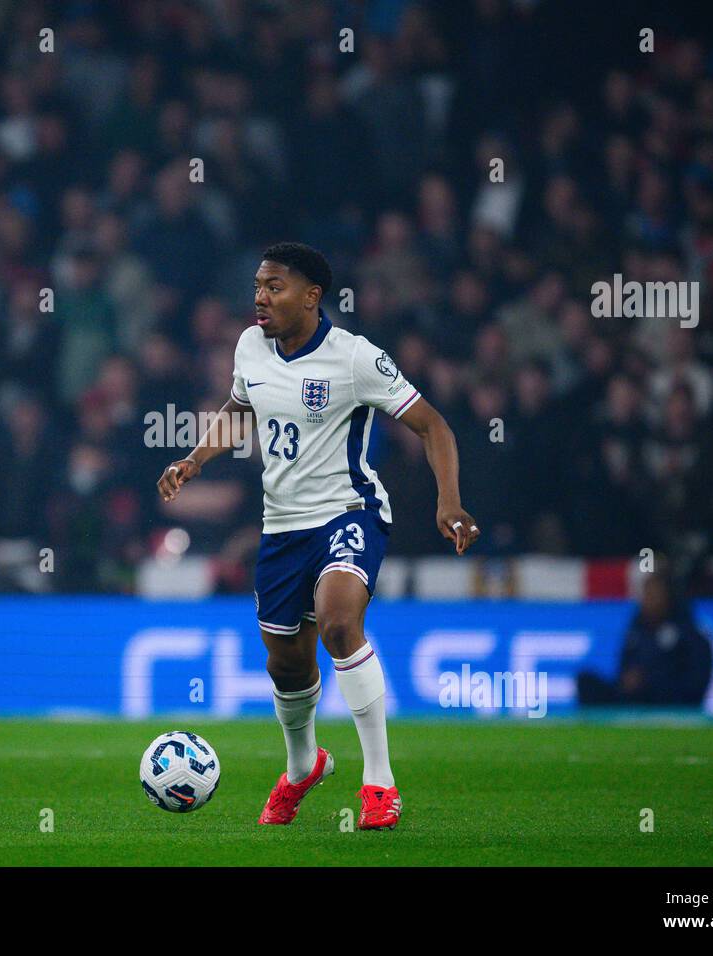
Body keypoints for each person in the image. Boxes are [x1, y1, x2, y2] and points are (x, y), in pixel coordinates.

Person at [157, 243, 479, 830]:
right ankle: (303, 765)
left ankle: (379, 782)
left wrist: (449, 501)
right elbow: (238, 408)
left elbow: (432, 424)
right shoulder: (250, 346)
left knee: (336, 622)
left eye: (274, 286)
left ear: (311, 296)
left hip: (348, 512)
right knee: (286, 664)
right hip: (281, 528)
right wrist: (194, 460)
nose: (260, 297)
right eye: (257, 285)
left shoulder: (355, 358)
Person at [577, 575, 713, 707]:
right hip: (633, 697)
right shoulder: (637, 629)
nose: (646, 600)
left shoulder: (689, 634)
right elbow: (624, 667)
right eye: (645, 594)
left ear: (668, 597)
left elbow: (694, 681)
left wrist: (648, 680)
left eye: (653, 595)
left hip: (667, 698)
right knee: (587, 682)